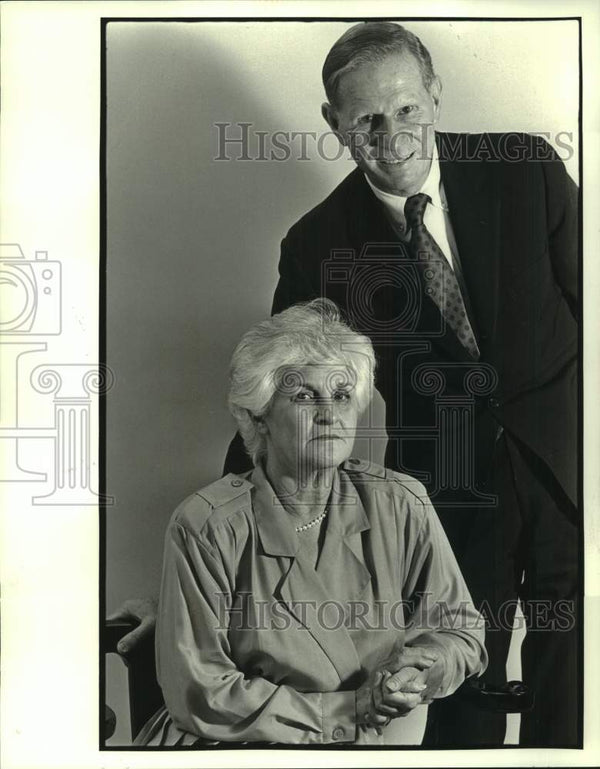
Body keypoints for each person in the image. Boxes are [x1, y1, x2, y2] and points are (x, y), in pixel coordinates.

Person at [111, 22, 579, 747]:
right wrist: (205, 561)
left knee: (575, 664)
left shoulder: (525, 167)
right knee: (458, 683)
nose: (393, 134)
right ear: (334, 124)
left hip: (571, 462)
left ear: (435, 94)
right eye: (367, 119)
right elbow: (277, 393)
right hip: (452, 488)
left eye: (408, 109)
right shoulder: (318, 243)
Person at [131, 299, 486, 746]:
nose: (329, 414)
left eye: (341, 395)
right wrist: (350, 710)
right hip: (227, 748)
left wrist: (420, 669)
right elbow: (202, 692)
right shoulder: (206, 524)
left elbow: (459, 629)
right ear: (257, 415)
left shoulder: (400, 503)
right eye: (304, 396)